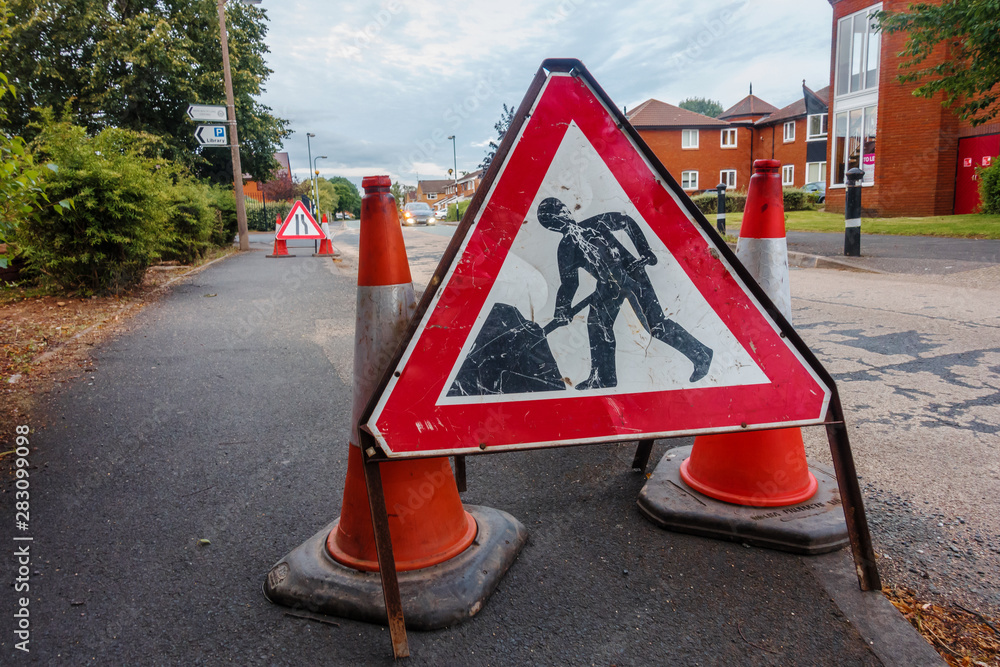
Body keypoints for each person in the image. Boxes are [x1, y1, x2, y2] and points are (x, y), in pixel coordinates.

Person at [537, 197, 712, 389]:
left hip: (632, 273)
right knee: (597, 325)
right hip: (608, 285)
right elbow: (569, 283)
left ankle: (701, 354)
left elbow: (626, 221)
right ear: (551, 226)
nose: (563, 218)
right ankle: (604, 378)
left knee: (656, 325)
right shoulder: (566, 247)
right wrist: (561, 309)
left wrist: (645, 251)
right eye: (557, 218)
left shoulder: (594, 223)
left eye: (563, 212)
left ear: (568, 211)